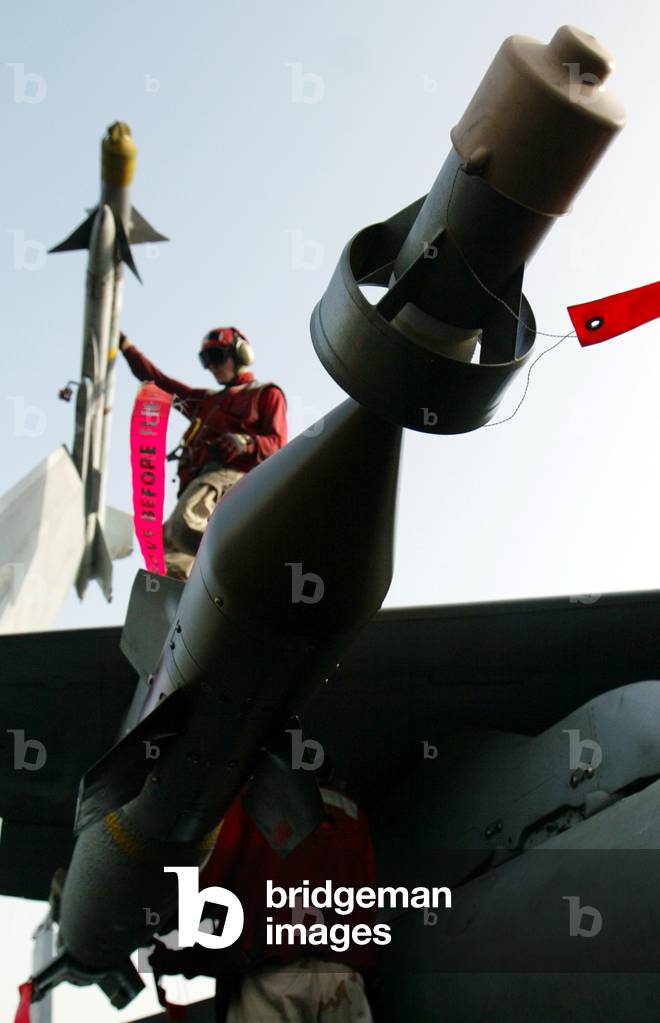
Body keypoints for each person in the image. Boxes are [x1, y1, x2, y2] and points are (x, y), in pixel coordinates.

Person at [150, 778, 377, 1022]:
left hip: (274, 982)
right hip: (344, 978)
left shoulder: (251, 798)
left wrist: (160, 923)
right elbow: (367, 897)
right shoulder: (350, 811)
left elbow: (209, 885)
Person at [119, 327, 287, 579]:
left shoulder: (264, 394)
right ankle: (178, 607)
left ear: (239, 354)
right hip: (199, 482)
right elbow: (158, 381)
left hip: (232, 479)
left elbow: (277, 445)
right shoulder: (206, 401)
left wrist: (245, 442)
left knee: (185, 523)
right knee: (167, 555)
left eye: (216, 357)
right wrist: (125, 346)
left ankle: (252, 567)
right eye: (205, 361)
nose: (211, 367)